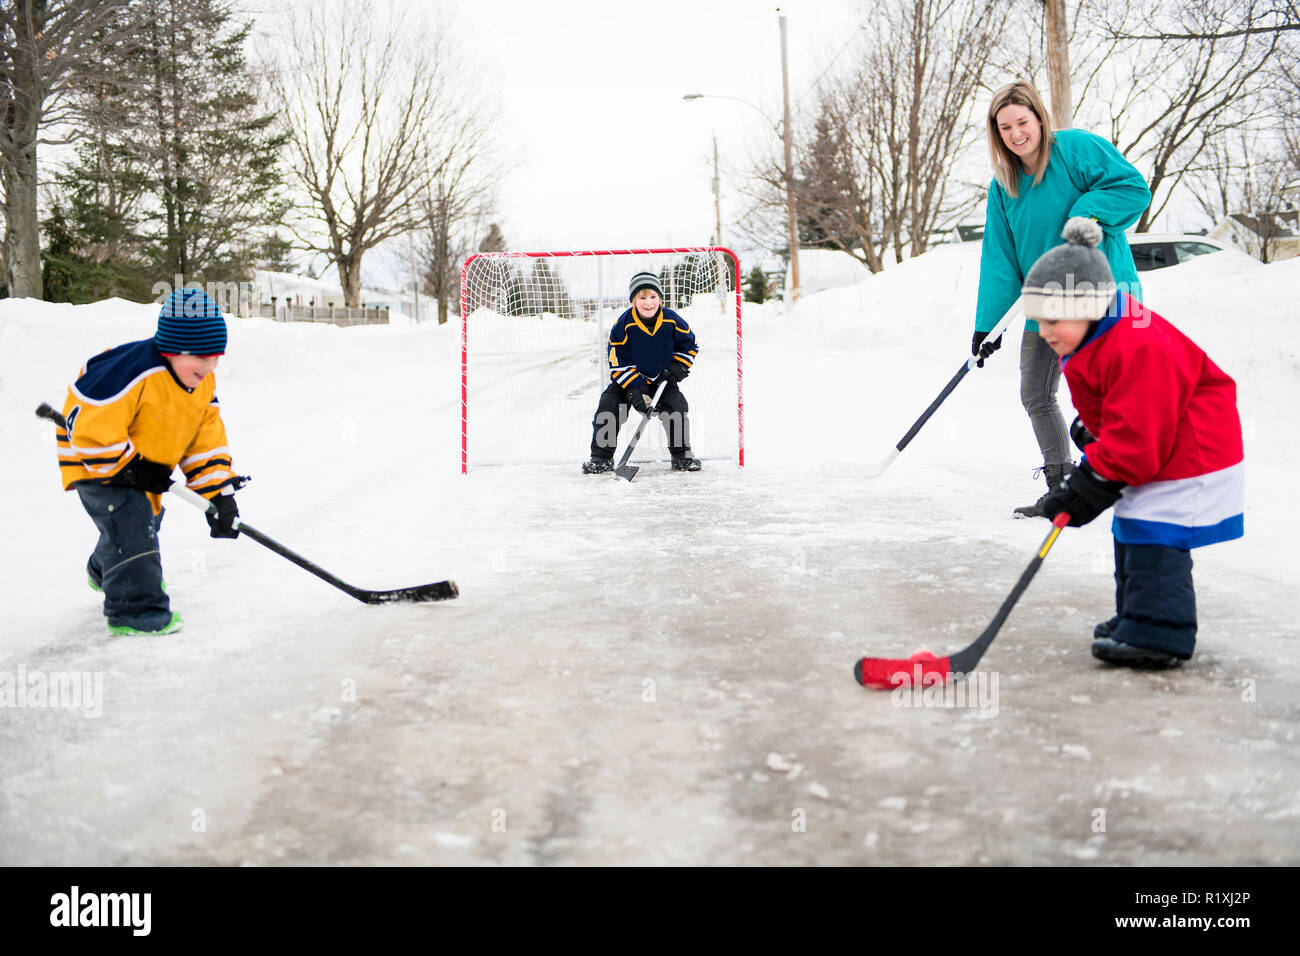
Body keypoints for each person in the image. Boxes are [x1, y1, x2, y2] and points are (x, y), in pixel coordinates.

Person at [1026, 218, 1244, 669]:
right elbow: (1124, 414)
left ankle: (1159, 635)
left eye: (1052, 319)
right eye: (1038, 319)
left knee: (1154, 531)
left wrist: (1086, 487)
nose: (1044, 331)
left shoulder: (1138, 345)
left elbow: (1138, 443)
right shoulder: (1094, 335)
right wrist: (1096, 434)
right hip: (1164, 445)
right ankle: (1138, 616)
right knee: (1131, 526)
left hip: (1193, 452)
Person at [973, 79, 1151, 518]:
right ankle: (1061, 485)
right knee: (1035, 392)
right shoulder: (1005, 185)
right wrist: (988, 325)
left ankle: (1132, 483)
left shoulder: (1075, 150)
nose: (1016, 134)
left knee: (1109, 395)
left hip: (1098, 296)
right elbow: (1000, 257)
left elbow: (1132, 188)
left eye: (1022, 122)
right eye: (1005, 128)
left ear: (1038, 118)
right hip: (1045, 306)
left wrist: (1086, 210)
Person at [56, 288, 246, 636]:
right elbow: (90, 429)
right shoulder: (131, 372)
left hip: (146, 467)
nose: (209, 365)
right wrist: (129, 467)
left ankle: (104, 569)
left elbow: (204, 438)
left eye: (216, 356)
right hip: (95, 463)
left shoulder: (200, 383)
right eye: (200, 356)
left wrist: (218, 495)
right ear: (172, 349)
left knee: (146, 522)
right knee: (132, 523)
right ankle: (136, 612)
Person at [583, 271, 701, 473]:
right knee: (609, 405)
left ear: (660, 299)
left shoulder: (672, 320)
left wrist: (676, 369)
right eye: (642, 297)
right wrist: (635, 388)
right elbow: (616, 358)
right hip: (630, 380)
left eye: (653, 296)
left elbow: (690, 345)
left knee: (677, 408)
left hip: (662, 378)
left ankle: (681, 456)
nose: (649, 302)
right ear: (633, 301)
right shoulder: (623, 324)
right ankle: (601, 458)